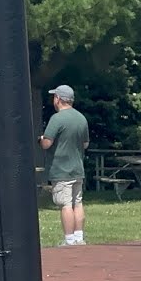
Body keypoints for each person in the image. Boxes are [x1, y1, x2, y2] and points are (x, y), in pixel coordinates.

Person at [39, 84, 89, 246]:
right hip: (78, 169)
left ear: (58, 98)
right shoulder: (81, 118)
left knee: (65, 204)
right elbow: (85, 144)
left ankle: (69, 240)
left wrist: (41, 139)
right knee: (78, 202)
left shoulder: (57, 119)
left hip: (61, 170)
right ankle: (79, 238)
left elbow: (46, 143)